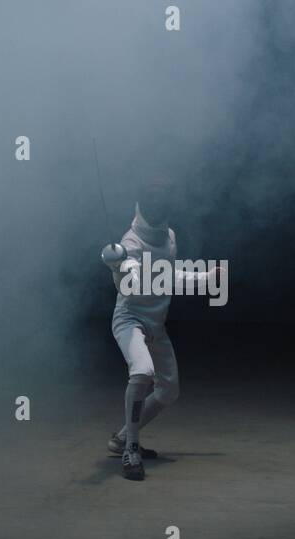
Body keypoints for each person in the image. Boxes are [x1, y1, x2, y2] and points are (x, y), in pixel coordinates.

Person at [100, 175, 220, 481]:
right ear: (142, 202)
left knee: (169, 391)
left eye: (162, 199)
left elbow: (168, 274)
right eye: (152, 198)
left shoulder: (169, 236)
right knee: (142, 373)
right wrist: (119, 267)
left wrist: (203, 279)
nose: (157, 204)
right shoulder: (130, 242)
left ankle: (121, 438)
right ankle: (131, 448)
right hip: (129, 320)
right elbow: (133, 278)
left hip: (156, 324)